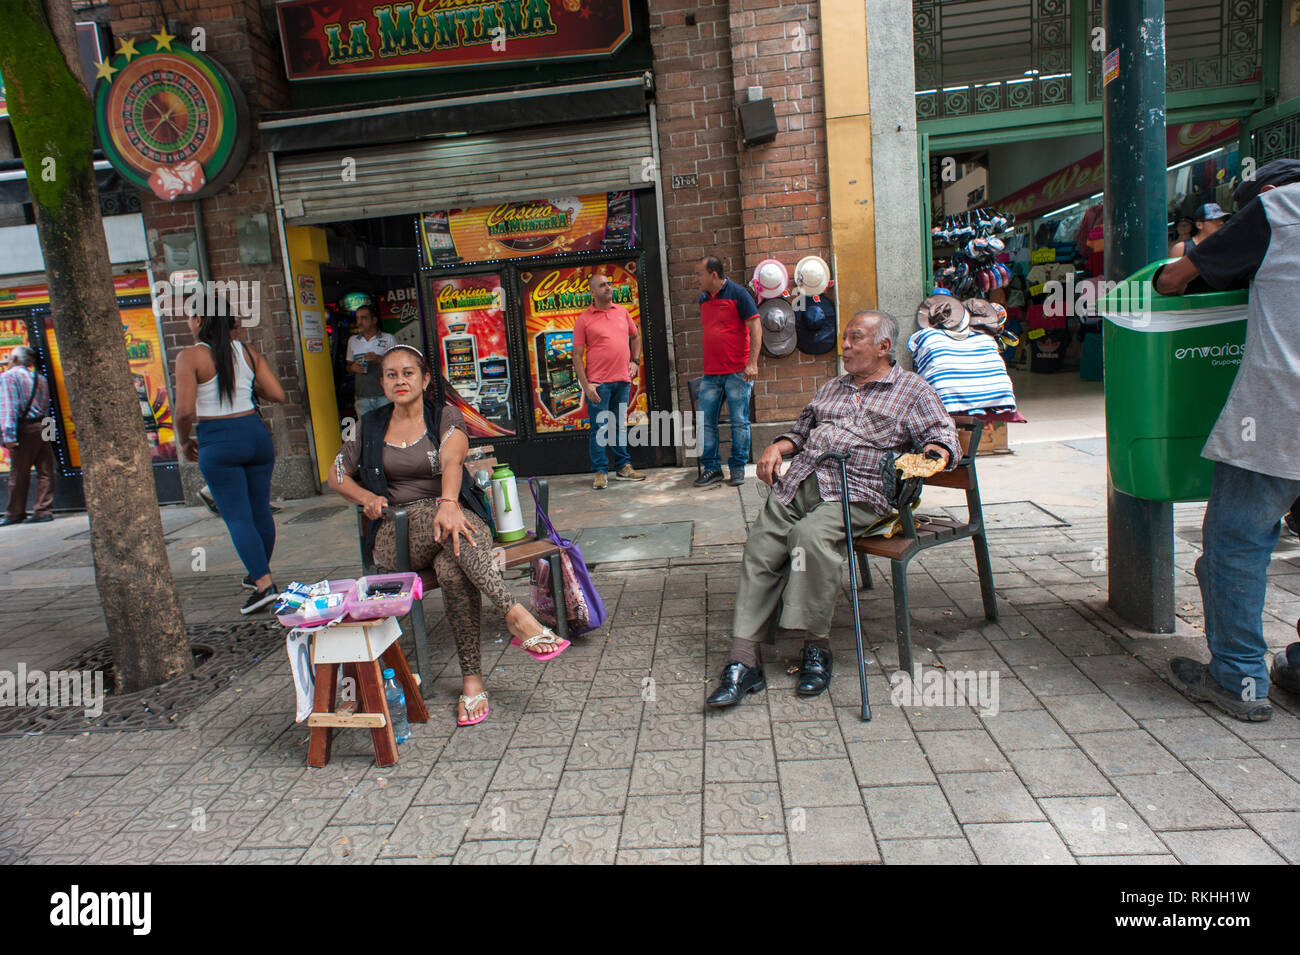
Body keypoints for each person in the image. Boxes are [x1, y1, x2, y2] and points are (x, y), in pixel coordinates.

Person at [707, 310, 960, 707]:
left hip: (858, 490)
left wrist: (933, 454)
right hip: (802, 482)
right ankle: (744, 660)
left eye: (854, 338)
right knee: (762, 543)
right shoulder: (832, 388)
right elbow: (802, 431)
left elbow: (942, 434)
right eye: (844, 338)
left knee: (809, 539)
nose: (844, 345)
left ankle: (816, 645)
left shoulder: (912, 390)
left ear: (883, 347)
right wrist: (778, 446)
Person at [328, 344, 568, 726]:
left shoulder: (444, 415)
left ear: (424, 379)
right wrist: (367, 496)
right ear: (383, 383)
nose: (399, 380)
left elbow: (453, 459)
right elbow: (337, 473)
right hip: (398, 534)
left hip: (453, 517)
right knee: (453, 528)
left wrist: (449, 502)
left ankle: (472, 683)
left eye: (408, 373)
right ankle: (514, 612)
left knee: (455, 565)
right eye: (391, 374)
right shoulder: (368, 425)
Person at [1154, 158, 1300, 719]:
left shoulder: (1278, 208)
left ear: (1263, 192)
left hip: (1280, 419)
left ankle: (1239, 679)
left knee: (1236, 548)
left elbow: (1172, 280)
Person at [174, 309, 287, 613]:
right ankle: (257, 571)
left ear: (199, 320)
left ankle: (264, 585)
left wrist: (184, 441)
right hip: (255, 435)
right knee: (259, 509)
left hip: (218, 438)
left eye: (189, 317)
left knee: (237, 516)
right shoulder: (249, 353)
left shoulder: (189, 357)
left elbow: (184, 412)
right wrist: (247, 386)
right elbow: (277, 394)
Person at [573, 273, 645, 490]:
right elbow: (576, 356)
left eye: (609, 284)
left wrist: (635, 361)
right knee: (599, 427)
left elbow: (636, 337)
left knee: (619, 426)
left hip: (622, 380)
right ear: (592, 292)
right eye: (602, 285)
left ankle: (623, 467)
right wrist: (586, 386)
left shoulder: (622, 312)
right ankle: (600, 471)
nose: (608, 287)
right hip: (598, 384)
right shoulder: (584, 320)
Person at [694, 255, 761, 488]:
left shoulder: (739, 294)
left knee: (739, 421)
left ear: (713, 274)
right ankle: (712, 469)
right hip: (711, 373)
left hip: (737, 372)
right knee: (705, 422)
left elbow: (755, 327)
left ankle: (737, 468)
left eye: (699, 274)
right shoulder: (703, 298)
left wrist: (752, 363)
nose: (696, 279)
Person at [0, 346, 54, 527]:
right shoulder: (41, 379)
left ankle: (15, 512)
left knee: (19, 472)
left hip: (26, 428)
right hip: (45, 423)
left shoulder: (9, 377)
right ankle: (43, 509)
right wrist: (50, 432)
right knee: (46, 469)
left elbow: (10, 407)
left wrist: (8, 435)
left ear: (15, 359)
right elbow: (47, 405)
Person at [346, 305, 396, 419]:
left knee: (387, 430)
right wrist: (353, 367)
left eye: (363, 318)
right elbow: (348, 366)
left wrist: (378, 359)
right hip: (362, 397)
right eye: (358, 318)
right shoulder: (353, 341)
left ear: (374, 320)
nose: (360, 322)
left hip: (384, 395)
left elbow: (396, 365)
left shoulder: (388, 338)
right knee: (367, 432)